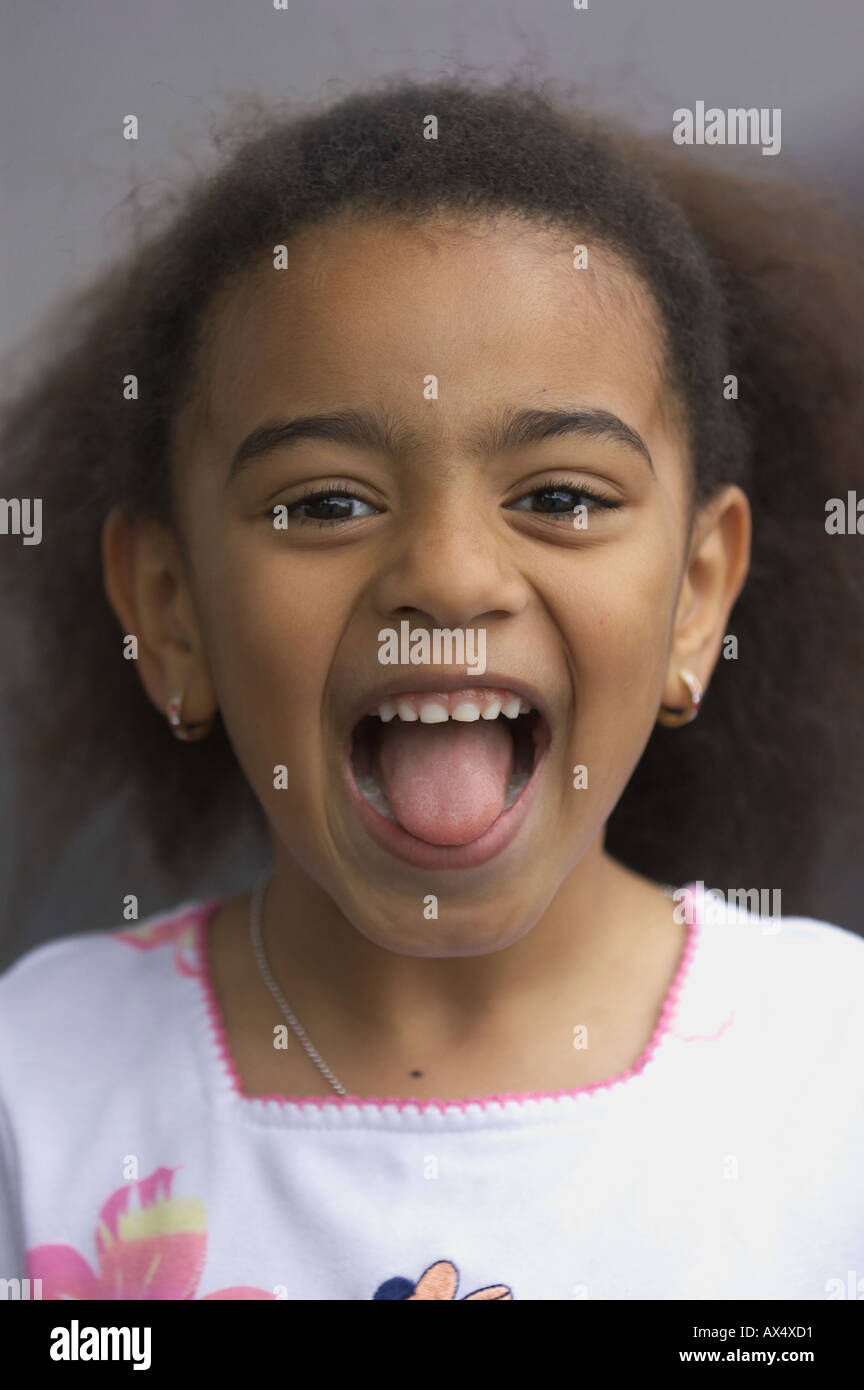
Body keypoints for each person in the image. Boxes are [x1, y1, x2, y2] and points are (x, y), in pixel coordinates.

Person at [0, 78, 862, 1301]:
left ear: (697, 598)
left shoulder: (838, 1086)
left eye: (561, 496)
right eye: (326, 503)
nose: (449, 579)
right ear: (170, 609)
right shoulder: (36, 1093)